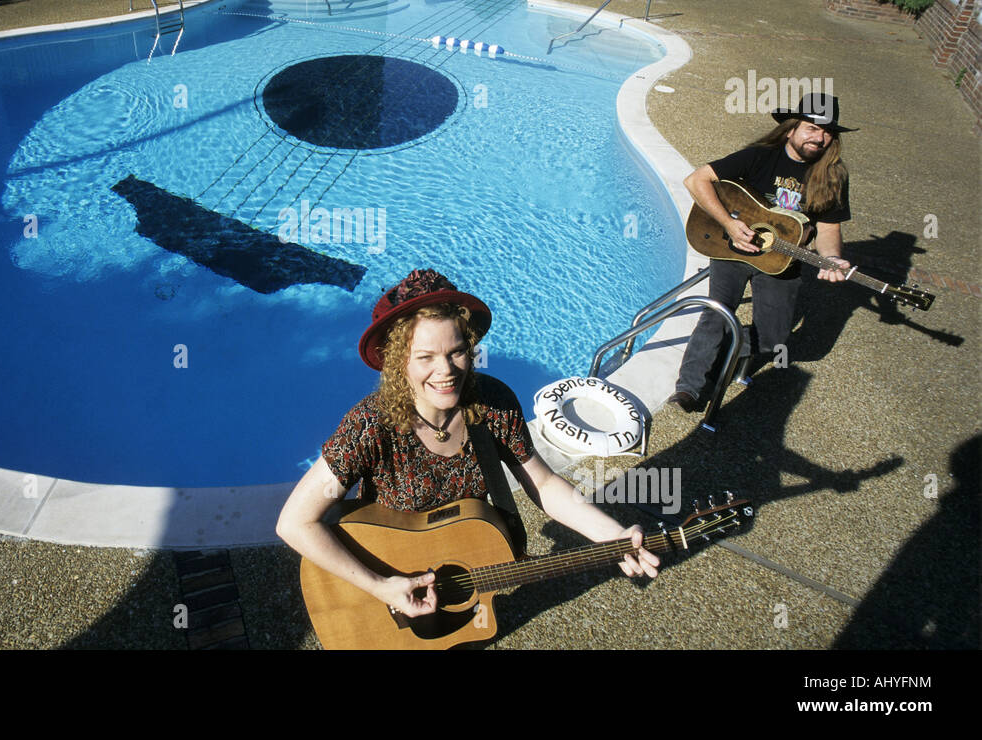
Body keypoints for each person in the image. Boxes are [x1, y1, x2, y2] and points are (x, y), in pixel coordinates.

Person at [276, 268, 659, 620]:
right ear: (398, 362)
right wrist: (381, 587)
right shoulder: (371, 425)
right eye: (425, 357)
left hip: (461, 565)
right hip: (390, 575)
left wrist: (612, 535)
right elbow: (294, 523)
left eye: (456, 351)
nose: (446, 371)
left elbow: (541, 484)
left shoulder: (491, 404)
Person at [668, 92, 855, 413]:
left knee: (774, 340)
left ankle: (724, 346)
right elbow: (696, 180)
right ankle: (691, 387)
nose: (820, 138)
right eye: (812, 128)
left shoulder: (833, 176)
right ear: (791, 129)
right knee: (717, 311)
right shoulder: (759, 156)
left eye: (827, 132)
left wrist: (833, 258)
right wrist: (728, 223)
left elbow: (828, 230)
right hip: (733, 247)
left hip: (782, 260)